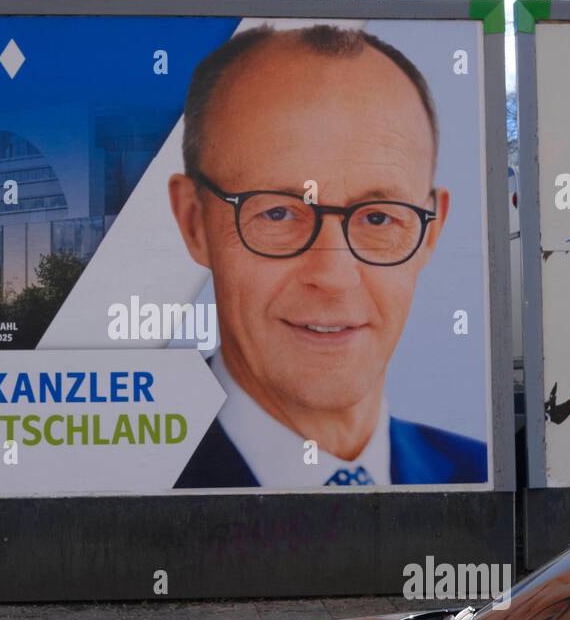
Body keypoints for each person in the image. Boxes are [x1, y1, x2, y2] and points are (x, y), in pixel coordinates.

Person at [169, 24, 487, 489]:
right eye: (278, 213)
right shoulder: (131, 465)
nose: (334, 275)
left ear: (430, 232)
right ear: (195, 222)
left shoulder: (473, 471)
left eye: (379, 219)